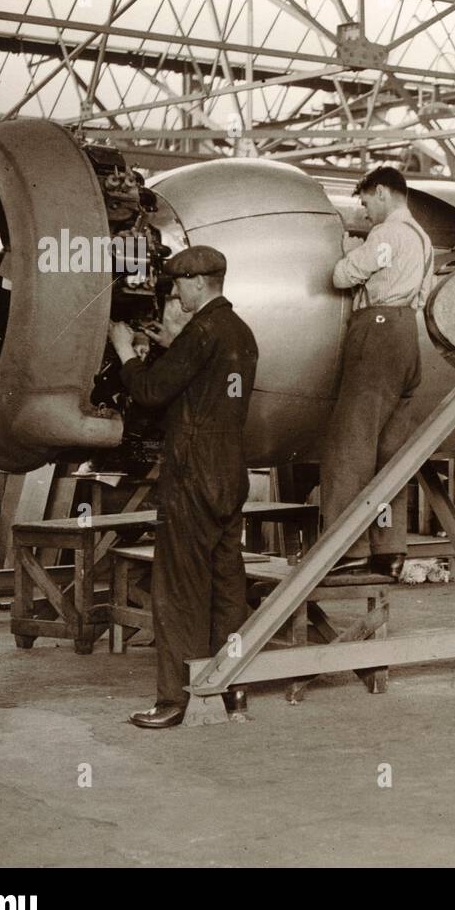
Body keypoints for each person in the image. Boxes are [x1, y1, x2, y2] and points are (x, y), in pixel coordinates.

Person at [107, 245, 259, 728]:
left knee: (177, 587)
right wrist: (173, 348)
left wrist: (125, 352)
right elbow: (209, 384)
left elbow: (151, 393)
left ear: (198, 282)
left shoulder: (202, 330)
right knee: (226, 583)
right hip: (231, 471)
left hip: (192, 472)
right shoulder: (241, 333)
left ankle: (174, 700)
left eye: (178, 283)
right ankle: (231, 690)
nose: (174, 291)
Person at [321, 166, 435, 579]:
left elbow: (342, 276)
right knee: (391, 454)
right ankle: (389, 548)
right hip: (407, 335)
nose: (366, 212)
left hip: (378, 331)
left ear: (383, 192)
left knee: (350, 444)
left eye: (367, 202)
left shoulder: (387, 235)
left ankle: (345, 550)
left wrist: (347, 252)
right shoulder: (423, 239)